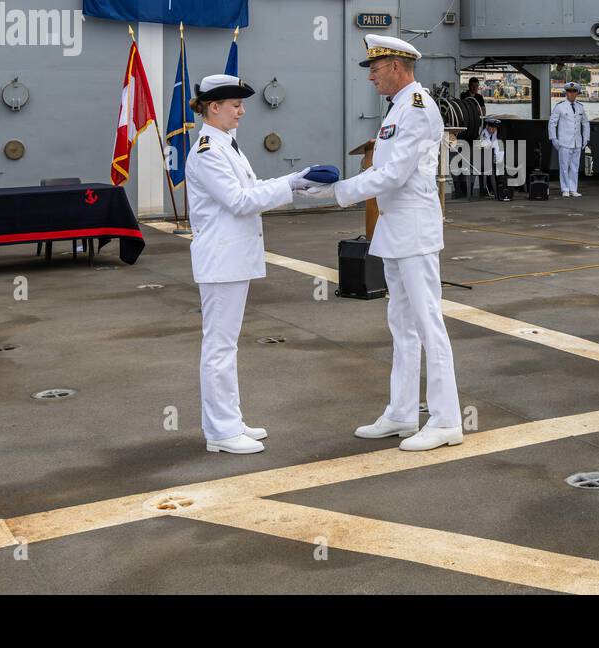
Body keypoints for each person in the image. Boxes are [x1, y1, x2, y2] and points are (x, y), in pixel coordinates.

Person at [314, 34, 465, 451]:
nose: (371, 78)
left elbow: (394, 175)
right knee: (402, 325)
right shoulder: (399, 107)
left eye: (376, 70)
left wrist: (339, 191)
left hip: (414, 230)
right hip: (396, 229)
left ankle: (446, 420)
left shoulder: (416, 108)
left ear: (396, 67)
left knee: (428, 323)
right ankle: (401, 412)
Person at [185, 74, 331, 454]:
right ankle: (220, 433)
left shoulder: (226, 145)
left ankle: (230, 421)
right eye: (235, 105)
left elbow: (252, 188)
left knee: (227, 346)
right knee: (219, 347)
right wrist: (291, 186)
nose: (242, 112)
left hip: (231, 259)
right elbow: (239, 201)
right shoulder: (208, 151)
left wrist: (296, 179)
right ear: (214, 107)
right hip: (221, 260)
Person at [549, 81, 589, 197]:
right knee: (564, 167)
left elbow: (585, 123)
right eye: (569, 91)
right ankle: (565, 189)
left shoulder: (580, 107)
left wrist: (586, 138)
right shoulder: (560, 106)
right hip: (564, 141)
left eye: (574, 91)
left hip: (577, 141)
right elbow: (552, 123)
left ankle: (573, 189)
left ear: (577, 93)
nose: (571, 94)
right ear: (566, 93)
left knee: (575, 167)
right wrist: (553, 138)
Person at [477, 116, 505, 198]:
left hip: (493, 159)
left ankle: (498, 189)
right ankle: (490, 190)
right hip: (483, 159)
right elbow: (485, 146)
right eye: (492, 128)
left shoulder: (495, 133)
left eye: (495, 128)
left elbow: (496, 146)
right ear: (487, 126)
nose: (493, 130)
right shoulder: (483, 134)